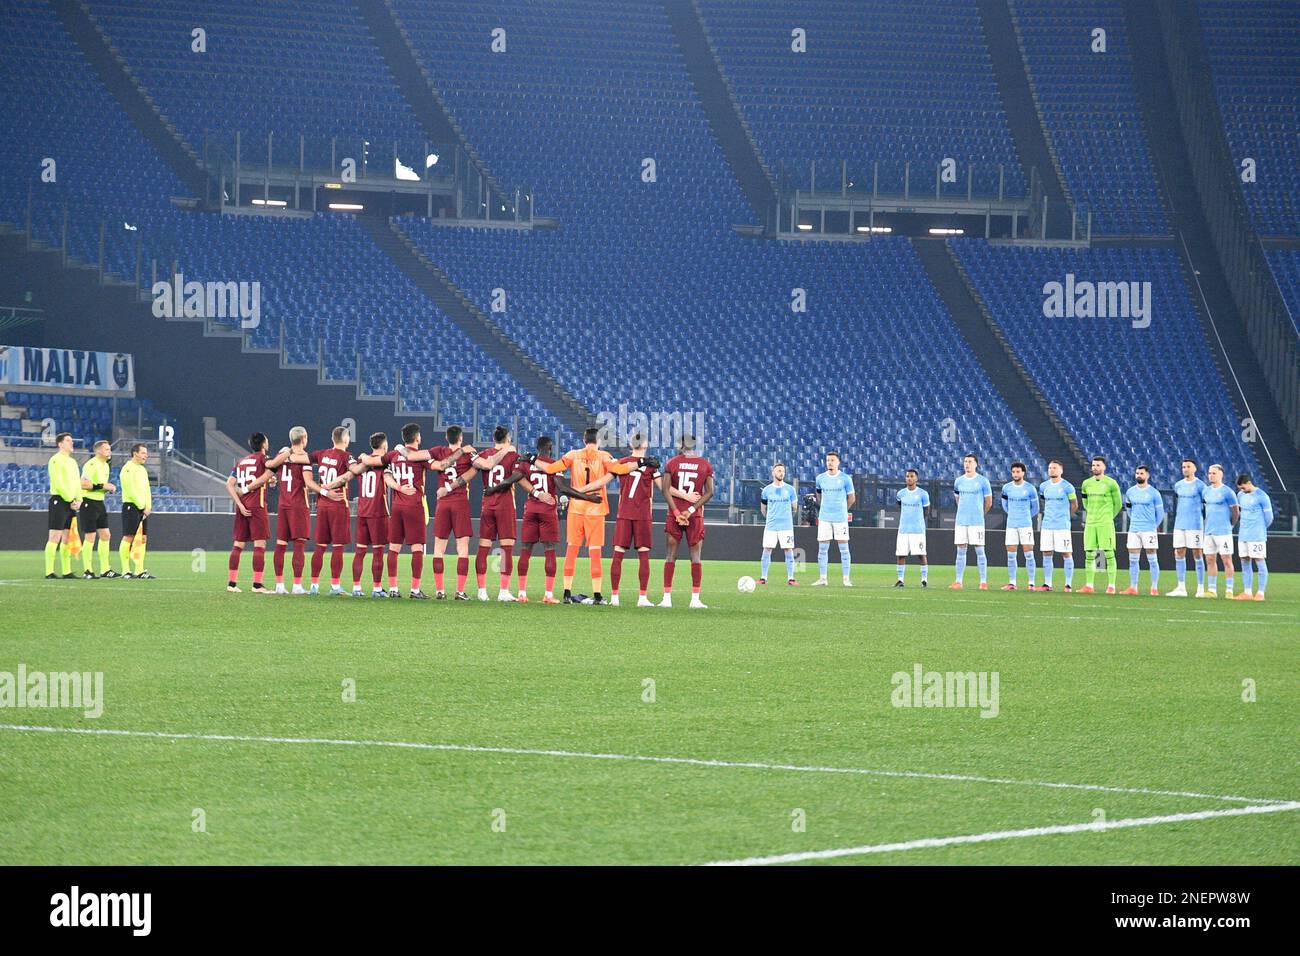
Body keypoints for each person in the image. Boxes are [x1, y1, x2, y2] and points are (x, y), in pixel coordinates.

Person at [659, 435, 714, 608]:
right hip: (694, 515)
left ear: (681, 445)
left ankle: (667, 599)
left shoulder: (672, 463)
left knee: (670, 556)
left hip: (674, 513)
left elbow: (666, 489)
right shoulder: (705, 464)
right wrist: (690, 510)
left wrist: (676, 512)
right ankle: (695, 600)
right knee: (696, 557)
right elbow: (710, 492)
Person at [1079, 455, 1123, 594]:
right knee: (1089, 554)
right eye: (1093, 465)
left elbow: (1118, 504)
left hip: (1105, 523)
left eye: (1098, 465)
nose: (1095, 467)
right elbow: (1085, 502)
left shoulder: (1111, 483)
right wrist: (1091, 513)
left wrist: (1108, 517)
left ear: (1104, 467)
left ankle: (1111, 586)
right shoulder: (1086, 484)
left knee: (1108, 553)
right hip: (1091, 523)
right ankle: (1089, 585)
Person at [813, 451, 855, 587]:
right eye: (828, 460)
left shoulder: (845, 478)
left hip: (840, 518)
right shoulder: (820, 478)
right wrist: (824, 507)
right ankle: (823, 578)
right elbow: (818, 495)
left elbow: (852, 498)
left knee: (844, 549)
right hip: (825, 517)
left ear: (838, 462)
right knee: (822, 549)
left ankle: (846, 579)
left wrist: (843, 510)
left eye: (832, 460)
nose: (829, 463)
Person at [950, 453, 992, 590]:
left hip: (977, 521)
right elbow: (957, 499)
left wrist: (980, 514)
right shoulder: (958, 481)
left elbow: (988, 502)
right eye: (965, 461)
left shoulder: (983, 481)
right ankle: (958, 581)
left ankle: (983, 582)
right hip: (961, 521)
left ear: (976, 464)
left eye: (970, 461)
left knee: (980, 550)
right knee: (960, 550)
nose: (967, 464)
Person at [77, 439, 117, 579]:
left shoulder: (105, 465)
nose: (109, 452)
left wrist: (108, 488)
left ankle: (105, 569)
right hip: (88, 502)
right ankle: (87, 570)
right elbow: (83, 484)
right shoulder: (91, 464)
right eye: (107, 449)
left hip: (100, 502)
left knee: (106, 535)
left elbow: (99, 485)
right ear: (98, 450)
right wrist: (103, 486)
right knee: (90, 536)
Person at [44, 432, 82, 580]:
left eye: (72, 440)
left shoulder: (72, 462)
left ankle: (67, 571)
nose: (71, 443)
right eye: (68, 440)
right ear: (60, 444)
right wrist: (70, 499)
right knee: (55, 536)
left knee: (67, 537)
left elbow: (77, 483)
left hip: (72, 503)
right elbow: (58, 482)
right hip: (59, 501)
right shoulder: (55, 460)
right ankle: (49, 571)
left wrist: (78, 500)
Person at [1036, 459, 1077, 592]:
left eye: (1054, 468)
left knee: (1066, 553)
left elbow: (1074, 504)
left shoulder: (1067, 486)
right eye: (1049, 468)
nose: (1051, 470)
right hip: (1047, 525)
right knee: (1047, 553)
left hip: (1062, 525)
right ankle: (1047, 584)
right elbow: (1043, 501)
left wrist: (1067, 516)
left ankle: (1068, 584)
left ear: (1061, 470)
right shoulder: (1043, 486)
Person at [761, 462, 799, 586]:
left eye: (782, 471)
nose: (781, 473)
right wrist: (770, 518)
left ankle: (791, 578)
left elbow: (794, 508)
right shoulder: (766, 490)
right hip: (771, 526)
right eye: (778, 471)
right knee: (767, 549)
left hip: (786, 526)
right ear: (773, 473)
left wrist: (786, 518)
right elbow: (763, 508)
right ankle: (763, 577)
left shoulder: (790, 489)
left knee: (788, 550)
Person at [118, 443, 152, 580]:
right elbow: (130, 490)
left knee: (142, 538)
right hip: (131, 506)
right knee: (129, 537)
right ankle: (125, 570)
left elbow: (147, 489)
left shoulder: (142, 470)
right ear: (135, 453)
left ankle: (139, 570)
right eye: (143, 452)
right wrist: (141, 505)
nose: (146, 455)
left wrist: (148, 506)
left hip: (143, 508)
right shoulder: (127, 469)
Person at [894, 469, 929, 588]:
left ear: (916, 479)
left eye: (911, 476)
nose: (909, 478)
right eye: (907, 476)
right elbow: (899, 505)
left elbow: (926, 510)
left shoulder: (923, 494)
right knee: (901, 555)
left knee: (921, 554)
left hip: (917, 530)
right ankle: (900, 579)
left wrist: (917, 520)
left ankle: (924, 580)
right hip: (903, 529)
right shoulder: (900, 493)